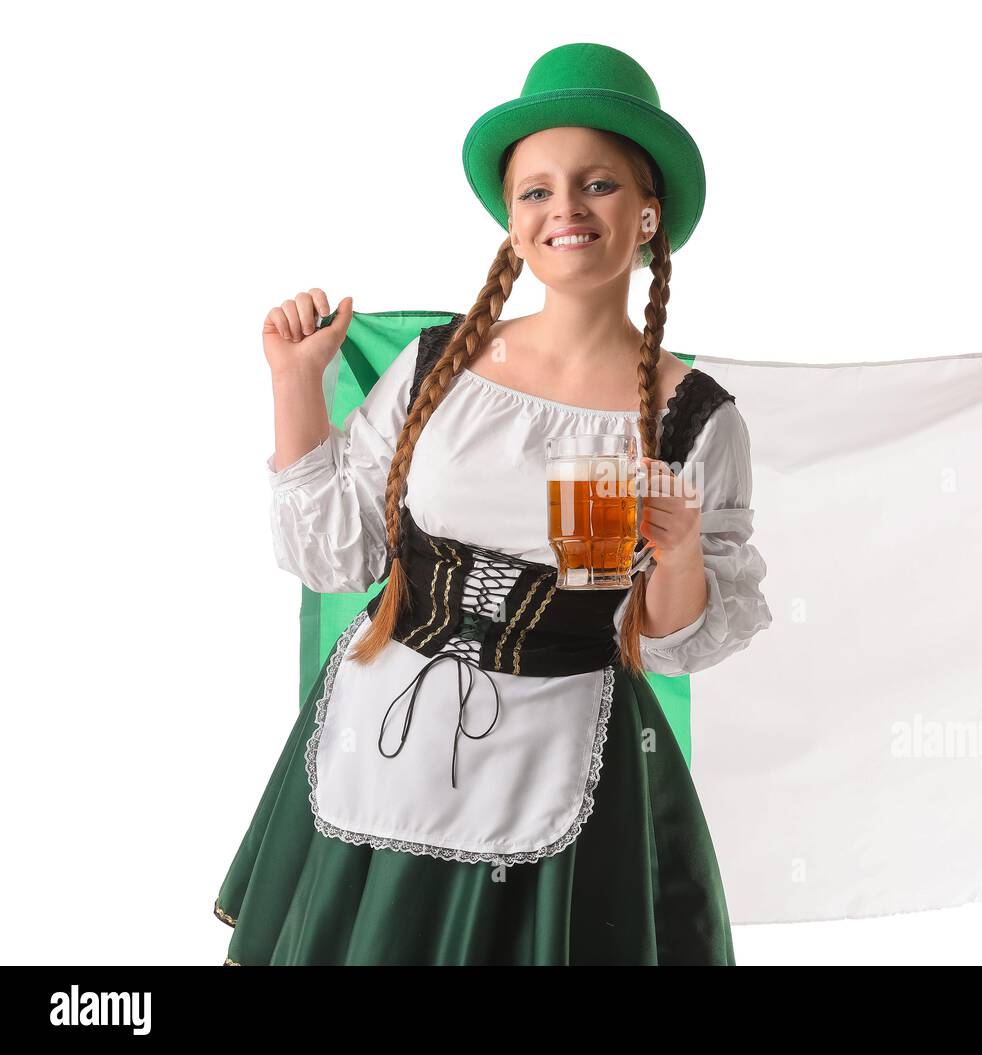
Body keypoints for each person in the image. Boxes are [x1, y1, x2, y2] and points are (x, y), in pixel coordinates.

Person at [213, 42, 773, 965]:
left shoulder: (692, 417)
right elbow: (337, 557)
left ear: (647, 216)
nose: (566, 209)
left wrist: (674, 555)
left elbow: (673, 641)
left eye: (597, 184)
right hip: (380, 733)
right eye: (537, 191)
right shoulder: (438, 365)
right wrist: (294, 385)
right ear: (513, 224)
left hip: (568, 754)